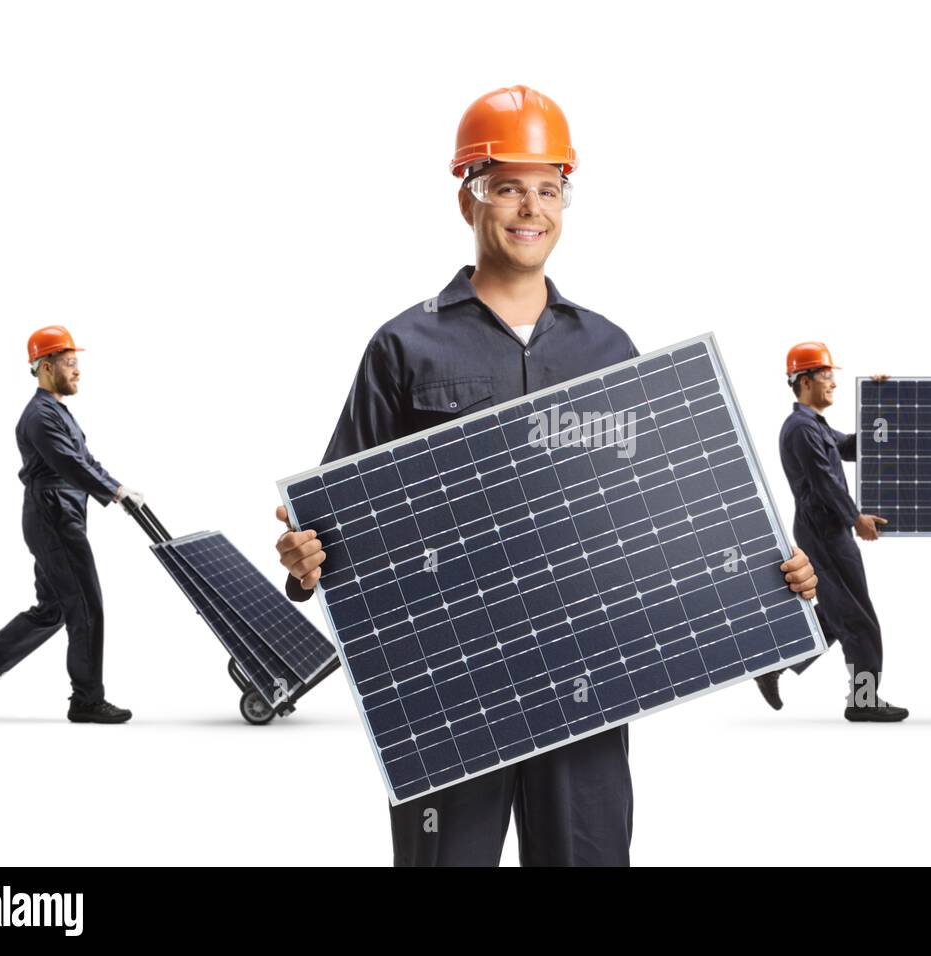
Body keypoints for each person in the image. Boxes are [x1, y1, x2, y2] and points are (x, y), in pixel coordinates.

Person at [274, 85, 819, 865]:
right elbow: (333, 518)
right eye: (507, 188)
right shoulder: (405, 346)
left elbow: (667, 516)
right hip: (449, 689)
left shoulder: (609, 349)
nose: (530, 209)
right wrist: (304, 564)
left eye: (547, 190)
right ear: (469, 198)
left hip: (590, 680)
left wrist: (771, 582)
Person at [0, 326, 141, 722]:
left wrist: (118, 488)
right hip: (52, 513)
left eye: (77, 364)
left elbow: (86, 460)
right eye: (70, 364)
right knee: (86, 606)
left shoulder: (59, 412)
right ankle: (86, 700)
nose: (78, 372)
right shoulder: (39, 416)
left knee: (54, 609)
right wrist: (116, 493)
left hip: (61, 511)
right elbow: (69, 465)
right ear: (45, 366)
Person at [754, 343, 907, 721]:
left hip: (826, 530)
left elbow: (852, 448)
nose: (833, 382)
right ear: (804, 381)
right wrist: (856, 518)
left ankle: (775, 661)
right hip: (824, 532)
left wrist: (879, 405)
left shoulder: (814, 425)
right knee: (858, 619)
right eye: (825, 374)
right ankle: (864, 701)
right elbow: (824, 482)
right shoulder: (801, 429)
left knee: (839, 614)